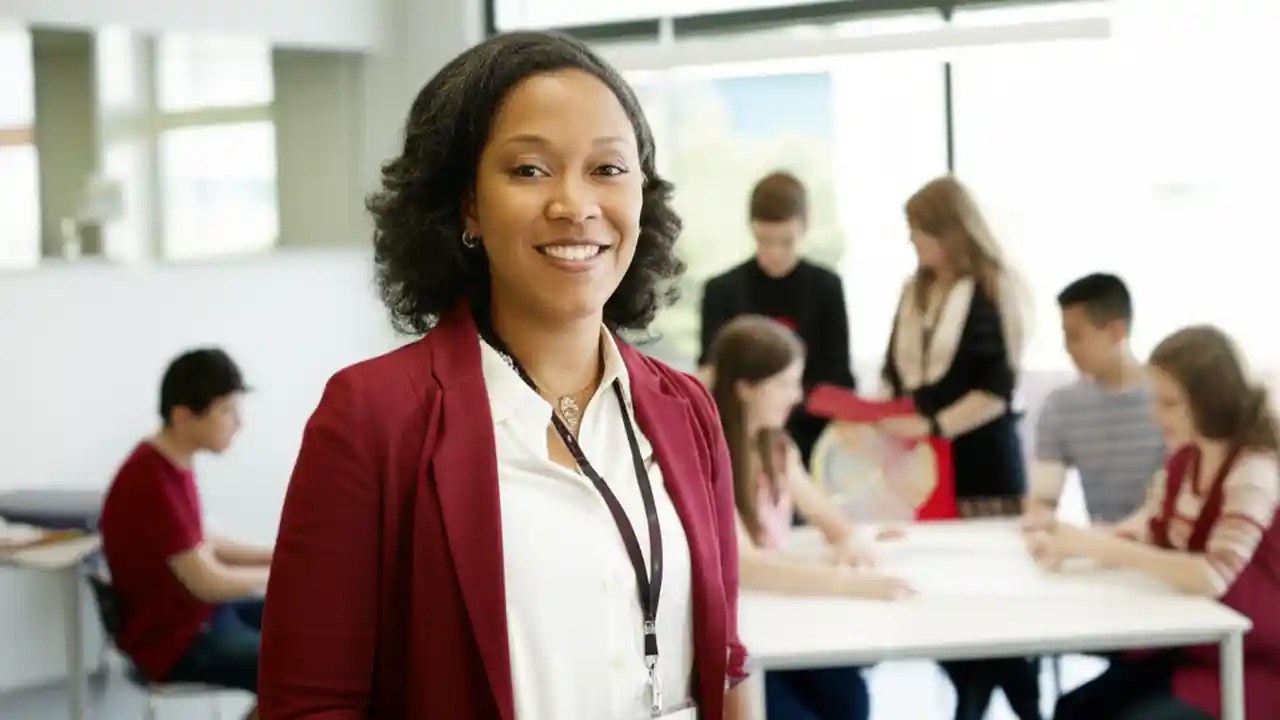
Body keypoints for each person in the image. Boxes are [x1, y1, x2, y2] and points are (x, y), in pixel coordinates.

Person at [259, 31, 748, 720]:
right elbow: (310, 704)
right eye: (530, 169)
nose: (575, 204)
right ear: (468, 204)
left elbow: (725, 659)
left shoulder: (686, 409)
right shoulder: (374, 416)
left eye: (608, 168)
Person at [1031, 325, 1280, 720]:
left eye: (1169, 404)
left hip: (1246, 660)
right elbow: (1147, 532)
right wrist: (1071, 544)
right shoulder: (1185, 461)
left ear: (1210, 401)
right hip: (1190, 644)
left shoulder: (1254, 470)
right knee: (1073, 710)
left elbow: (1213, 575)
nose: (1155, 415)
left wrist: (1102, 547)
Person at [876, 176, 1040, 720]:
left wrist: (934, 424)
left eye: (918, 232)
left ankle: (996, 705)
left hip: (983, 461)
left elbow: (998, 386)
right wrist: (886, 418)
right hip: (926, 465)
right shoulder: (915, 289)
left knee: (996, 599)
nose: (913, 243)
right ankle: (996, 703)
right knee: (938, 596)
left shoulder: (993, 286)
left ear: (949, 232)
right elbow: (894, 370)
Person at [708, 315, 911, 720]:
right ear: (745, 388)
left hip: (780, 620)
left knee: (850, 697)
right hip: (738, 637)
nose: (796, 395)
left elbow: (830, 520)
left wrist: (854, 544)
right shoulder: (709, 458)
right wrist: (853, 584)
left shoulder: (778, 449)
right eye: (784, 384)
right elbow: (745, 566)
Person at [99, 348, 271, 720]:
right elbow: (206, 582)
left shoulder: (168, 461)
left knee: (303, 622)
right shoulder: (151, 481)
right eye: (226, 410)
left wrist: (277, 555)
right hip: (174, 641)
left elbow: (201, 540)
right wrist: (281, 573)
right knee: (295, 664)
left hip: (200, 617)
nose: (238, 423)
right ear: (182, 416)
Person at [698, 171, 856, 466]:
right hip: (737, 443)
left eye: (786, 242)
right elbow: (713, 374)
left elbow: (838, 378)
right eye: (764, 241)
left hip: (811, 439)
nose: (773, 253)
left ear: (805, 229)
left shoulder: (825, 288)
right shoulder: (722, 290)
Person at [1025, 273, 1167, 524]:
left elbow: (1168, 501)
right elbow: (1044, 499)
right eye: (1065, 336)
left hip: (1158, 539)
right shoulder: (1061, 406)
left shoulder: (1167, 400)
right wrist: (1039, 523)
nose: (1068, 348)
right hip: (1100, 541)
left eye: (1076, 336)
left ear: (1116, 332)